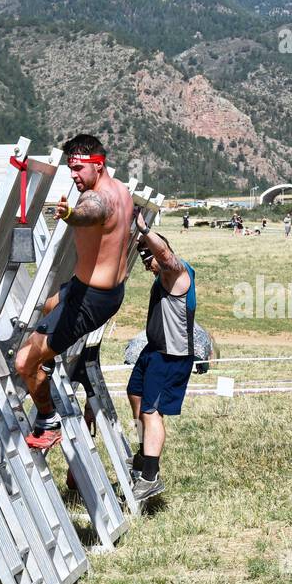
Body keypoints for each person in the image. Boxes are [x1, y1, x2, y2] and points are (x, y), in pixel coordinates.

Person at [17, 135, 134, 450]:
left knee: (23, 362)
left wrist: (70, 215)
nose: (73, 175)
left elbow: (91, 212)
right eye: (70, 168)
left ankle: (47, 420)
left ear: (98, 165)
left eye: (79, 168)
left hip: (91, 300)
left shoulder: (99, 198)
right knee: (47, 305)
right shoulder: (123, 191)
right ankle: (50, 358)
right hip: (88, 289)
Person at [127, 219, 197, 502]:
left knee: (151, 411)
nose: (146, 260)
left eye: (148, 254)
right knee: (135, 394)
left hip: (171, 355)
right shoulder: (162, 277)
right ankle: (145, 453)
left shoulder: (176, 271)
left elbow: (165, 255)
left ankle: (150, 476)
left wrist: (144, 231)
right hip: (154, 351)